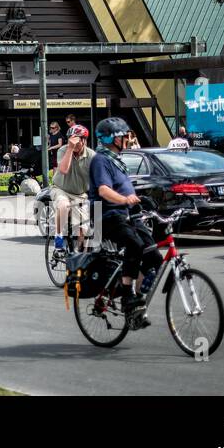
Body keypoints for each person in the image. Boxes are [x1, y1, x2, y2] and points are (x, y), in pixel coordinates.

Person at [89, 116, 162, 321]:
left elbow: (126, 188)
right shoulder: (100, 160)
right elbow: (103, 190)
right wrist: (124, 200)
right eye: (122, 136)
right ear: (111, 138)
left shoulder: (117, 161)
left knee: (154, 257)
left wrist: (142, 200)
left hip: (128, 215)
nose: (126, 139)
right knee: (134, 245)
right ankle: (127, 295)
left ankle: (136, 303)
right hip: (107, 216)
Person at [52, 124, 93, 253]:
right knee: (63, 205)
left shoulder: (92, 156)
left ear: (84, 140)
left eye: (77, 139)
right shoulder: (63, 150)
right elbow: (63, 170)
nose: (74, 142)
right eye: (71, 139)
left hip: (80, 194)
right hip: (61, 189)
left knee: (83, 232)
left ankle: (78, 256)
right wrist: (70, 148)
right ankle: (58, 236)